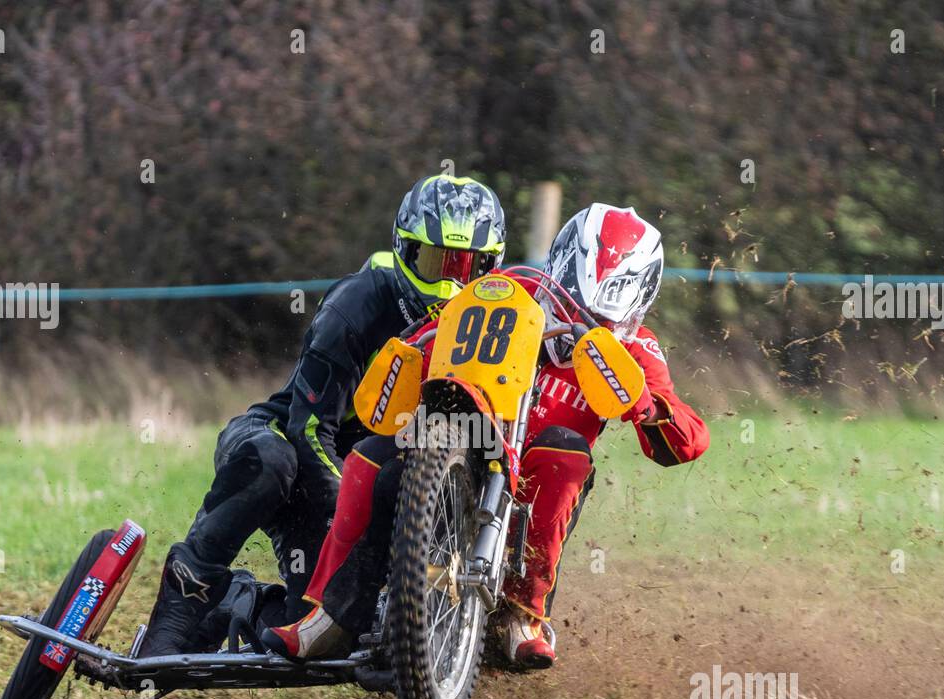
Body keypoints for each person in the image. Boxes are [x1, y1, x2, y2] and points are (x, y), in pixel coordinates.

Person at [263, 203, 709, 668]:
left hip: (537, 476)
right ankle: (329, 617)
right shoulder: (512, 291)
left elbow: (689, 439)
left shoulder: (637, 349)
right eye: (574, 304)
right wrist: (417, 346)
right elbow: (440, 327)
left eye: (598, 316)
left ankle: (523, 615)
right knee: (370, 457)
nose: (579, 321)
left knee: (566, 452)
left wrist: (646, 406)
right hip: (467, 441)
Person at [136, 175, 507, 658]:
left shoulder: (492, 326)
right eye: (437, 262)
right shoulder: (357, 303)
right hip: (286, 446)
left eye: (467, 267)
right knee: (272, 460)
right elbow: (308, 429)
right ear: (405, 249)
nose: (449, 283)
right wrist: (350, 511)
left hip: (361, 481)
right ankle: (183, 602)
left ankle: (238, 605)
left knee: (321, 627)